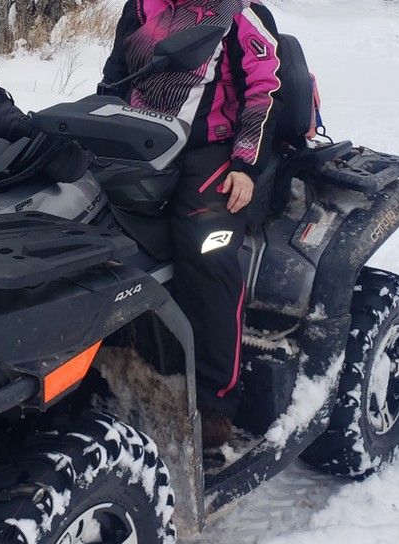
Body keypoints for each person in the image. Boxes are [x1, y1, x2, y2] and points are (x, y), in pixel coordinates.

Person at [101, 0, 282, 448]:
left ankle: (215, 399)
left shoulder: (238, 14)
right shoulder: (142, 6)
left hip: (210, 150)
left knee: (206, 252)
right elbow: (114, 75)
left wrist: (246, 164)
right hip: (141, 139)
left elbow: (263, 91)